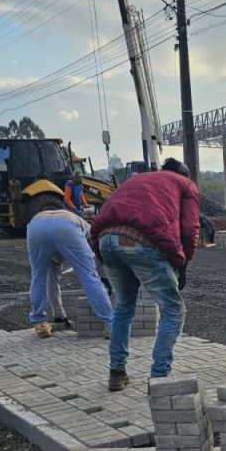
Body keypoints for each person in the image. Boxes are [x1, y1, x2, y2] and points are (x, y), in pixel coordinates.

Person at [90, 156, 199, 390]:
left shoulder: (137, 180)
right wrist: (183, 262)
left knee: (124, 307)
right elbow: (190, 229)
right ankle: (159, 380)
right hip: (140, 241)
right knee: (173, 309)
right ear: (184, 175)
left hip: (106, 239)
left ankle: (117, 373)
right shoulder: (185, 185)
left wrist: (101, 254)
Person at [25, 181, 113, 339]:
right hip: (66, 227)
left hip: (35, 226)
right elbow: (97, 257)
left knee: (40, 276)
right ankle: (110, 325)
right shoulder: (90, 229)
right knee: (89, 277)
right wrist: (104, 279)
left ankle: (41, 322)